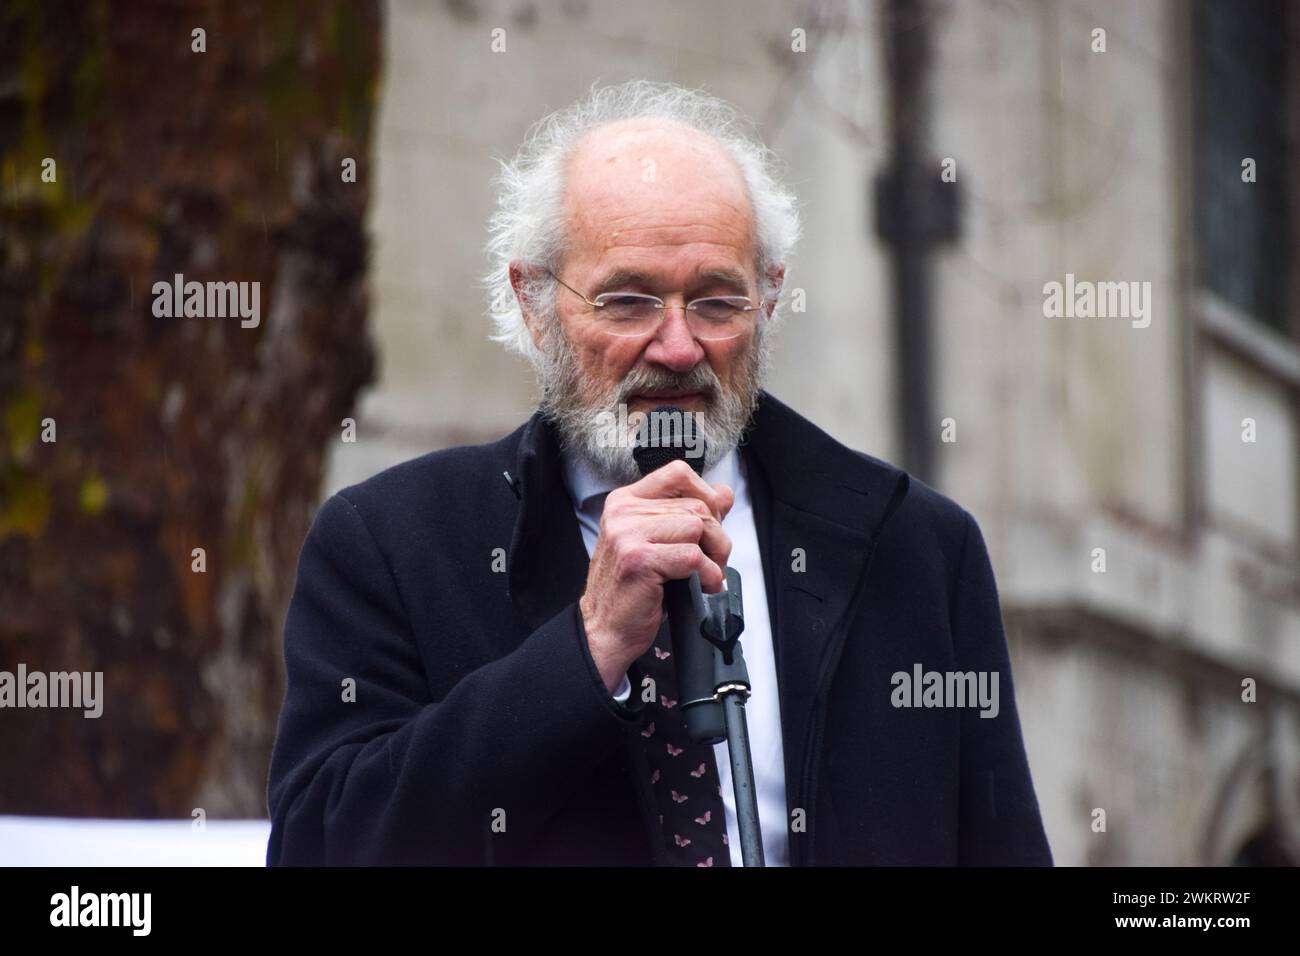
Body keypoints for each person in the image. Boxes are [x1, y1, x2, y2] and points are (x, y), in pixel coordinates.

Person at [266, 80, 1052, 866]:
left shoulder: (912, 547)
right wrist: (587, 646)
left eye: (716, 302)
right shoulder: (395, 545)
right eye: (629, 301)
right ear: (535, 302)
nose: (677, 347)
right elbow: (320, 846)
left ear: (770, 301)